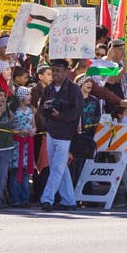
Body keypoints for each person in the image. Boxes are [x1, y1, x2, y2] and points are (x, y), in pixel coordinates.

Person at [38, 58, 83, 211]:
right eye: (53, 71)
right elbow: (40, 109)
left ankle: (47, 199)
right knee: (59, 168)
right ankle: (69, 200)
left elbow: (76, 112)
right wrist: (46, 110)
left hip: (65, 134)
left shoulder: (74, 89)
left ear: (66, 71)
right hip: (51, 132)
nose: (55, 74)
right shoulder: (49, 89)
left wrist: (60, 115)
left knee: (57, 168)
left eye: (58, 71)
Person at [9, 86, 35, 206]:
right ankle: (15, 198)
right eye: (27, 94)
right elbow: (8, 127)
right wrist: (18, 131)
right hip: (17, 144)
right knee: (16, 171)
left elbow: (34, 125)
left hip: (27, 145)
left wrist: (33, 131)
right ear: (21, 97)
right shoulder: (13, 110)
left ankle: (25, 198)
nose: (30, 97)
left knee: (26, 172)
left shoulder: (30, 111)